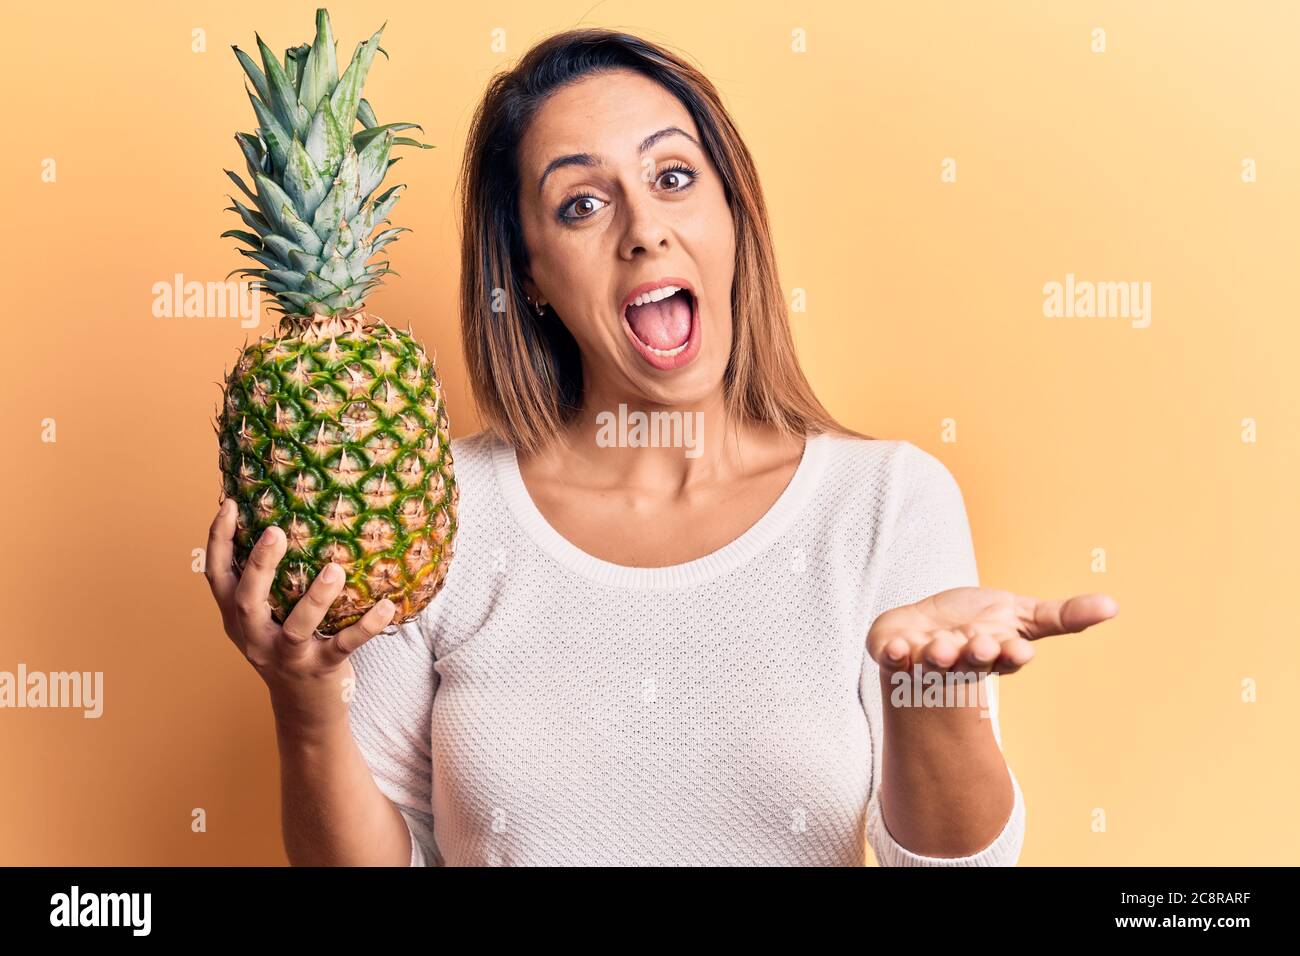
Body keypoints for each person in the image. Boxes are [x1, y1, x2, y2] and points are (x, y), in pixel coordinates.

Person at [204, 27, 1118, 866]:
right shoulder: (441, 510)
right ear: (527, 276)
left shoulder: (885, 502)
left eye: (674, 177)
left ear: (732, 212)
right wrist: (304, 702)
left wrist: (936, 698)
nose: (644, 229)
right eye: (582, 204)